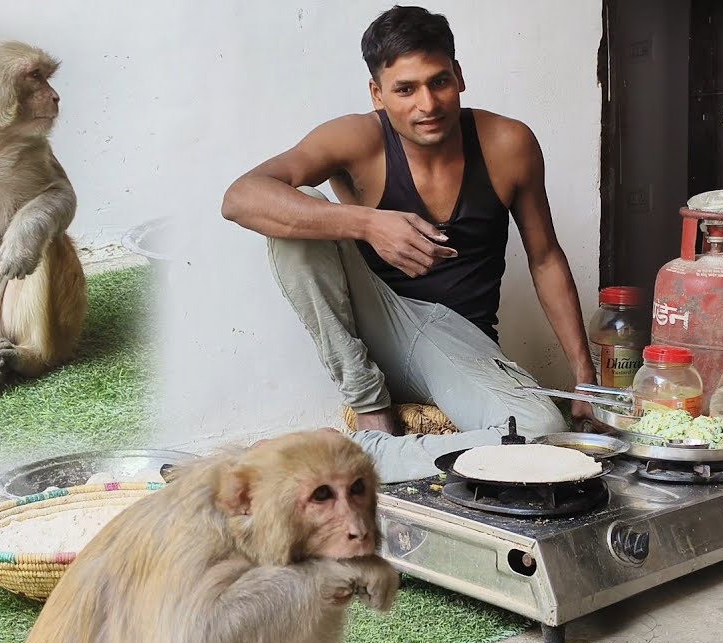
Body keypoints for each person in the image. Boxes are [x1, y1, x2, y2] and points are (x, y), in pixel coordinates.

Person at [221, 4, 596, 483]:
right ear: (378, 95)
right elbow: (240, 198)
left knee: (542, 430)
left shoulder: (509, 144)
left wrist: (584, 378)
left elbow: (545, 259)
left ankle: (367, 454)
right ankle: (367, 403)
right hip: (378, 323)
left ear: (459, 76)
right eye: (405, 89)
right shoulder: (357, 139)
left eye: (438, 81)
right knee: (295, 210)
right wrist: (367, 223)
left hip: (459, 343)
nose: (428, 104)